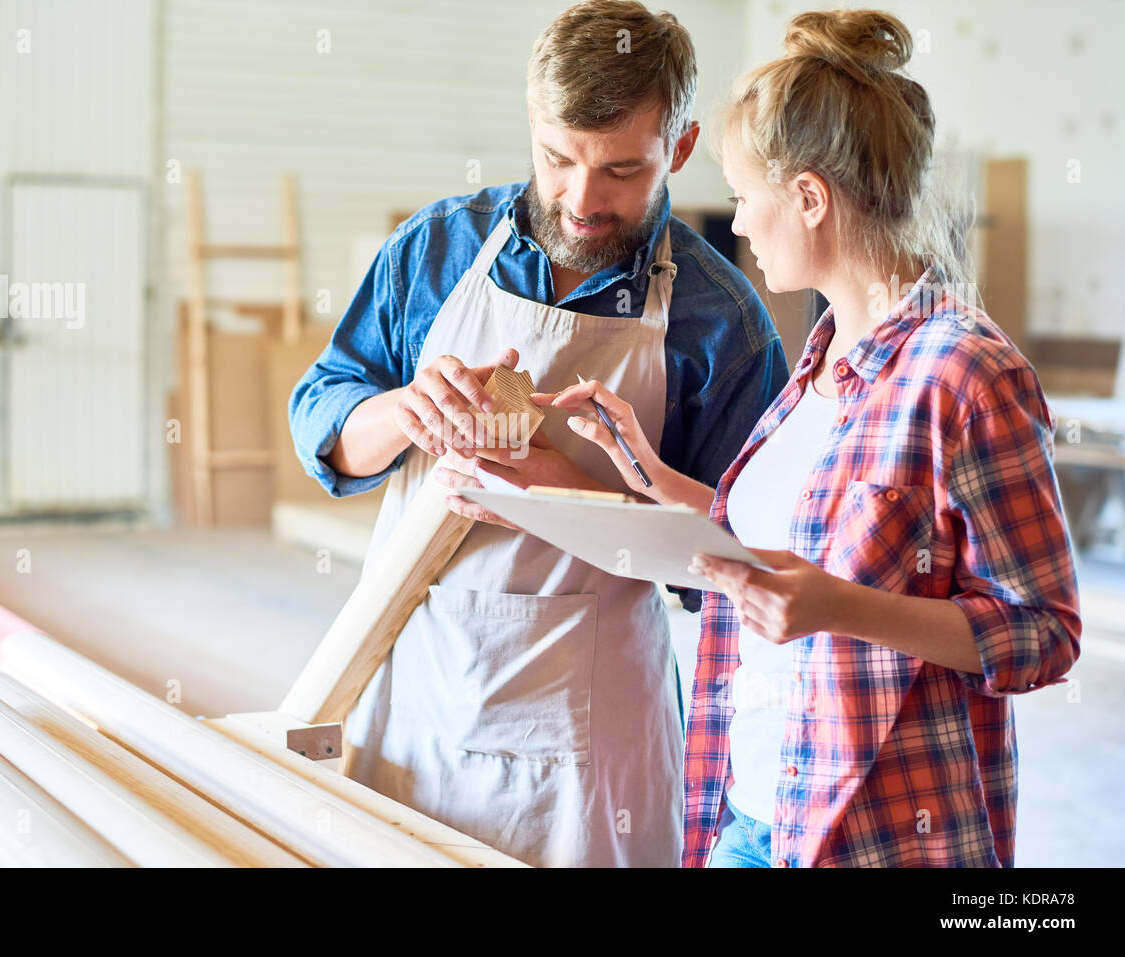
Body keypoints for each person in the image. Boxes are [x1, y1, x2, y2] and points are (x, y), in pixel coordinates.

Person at [543, 8, 1081, 867]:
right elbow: (792, 547)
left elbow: (1044, 633)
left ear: (808, 198)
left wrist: (841, 608)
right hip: (753, 812)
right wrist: (651, 475)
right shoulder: (821, 356)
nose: (739, 225)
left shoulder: (968, 374)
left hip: (877, 835)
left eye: (745, 198)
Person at [288, 0, 788, 867]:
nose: (582, 199)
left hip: (590, 742)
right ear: (531, 121)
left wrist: (570, 493)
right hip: (415, 693)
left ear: (679, 147)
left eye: (621, 170)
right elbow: (321, 423)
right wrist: (404, 412)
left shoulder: (721, 321)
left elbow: (743, 567)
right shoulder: (437, 249)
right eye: (558, 159)